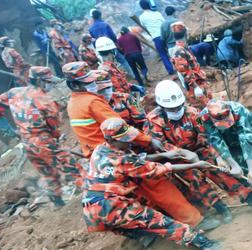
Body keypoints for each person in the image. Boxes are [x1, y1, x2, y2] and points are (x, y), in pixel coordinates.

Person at [64, 62, 214, 229]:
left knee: (140, 192)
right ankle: (195, 221)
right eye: (88, 83)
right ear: (74, 84)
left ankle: (160, 224)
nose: (93, 86)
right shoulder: (92, 102)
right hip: (115, 153)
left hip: (100, 156)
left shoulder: (73, 103)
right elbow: (122, 128)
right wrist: (150, 141)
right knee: (158, 184)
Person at [83, 117, 222, 250]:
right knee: (159, 221)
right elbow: (160, 169)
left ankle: (146, 238)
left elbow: (137, 160)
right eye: (124, 139)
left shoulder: (101, 149)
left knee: (130, 224)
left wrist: (164, 154)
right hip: (111, 205)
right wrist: (195, 165)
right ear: (111, 140)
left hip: (91, 206)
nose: (129, 141)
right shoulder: (122, 159)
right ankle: (205, 244)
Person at [146, 80, 252, 220]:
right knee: (196, 180)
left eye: (178, 106)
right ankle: (221, 208)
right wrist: (182, 153)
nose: (176, 111)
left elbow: (206, 135)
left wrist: (217, 156)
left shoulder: (192, 113)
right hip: (176, 158)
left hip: (200, 149)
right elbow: (159, 145)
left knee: (221, 172)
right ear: (162, 106)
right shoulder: (153, 121)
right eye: (171, 109)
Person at [0, 66, 82, 206]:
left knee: (47, 172)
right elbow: (54, 127)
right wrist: (56, 139)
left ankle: (57, 201)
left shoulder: (13, 92)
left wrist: (8, 130)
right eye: (48, 81)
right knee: (71, 165)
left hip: (26, 142)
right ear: (40, 81)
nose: (50, 84)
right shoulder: (46, 101)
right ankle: (91, 194)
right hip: (43, 140)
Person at [168, 22, 211, 107]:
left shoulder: (184, 48)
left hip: (198, 81)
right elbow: (184, 73)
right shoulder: (179, 52)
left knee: (208, 104)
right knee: (203, 107)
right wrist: (196, 87)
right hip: (195, 85)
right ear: (185, 35)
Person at [88, 8, 134, 77]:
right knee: (123, 60)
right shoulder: (105, 25)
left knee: (108, 65)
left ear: (93, 18)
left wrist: (97, 49)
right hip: (110, 46)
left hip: (101, 49)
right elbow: (112, 36)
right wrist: (117, 44)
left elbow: (93, 40)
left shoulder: (90, 29)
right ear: (100, 16)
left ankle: (114, 79)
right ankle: (132, 75)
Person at [139, 0, 174, 75]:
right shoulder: (157, 13)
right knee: (172, 50)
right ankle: (179, 66)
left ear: (141, 7)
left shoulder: (141, 17)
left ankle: (170, 70)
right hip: (165, 34)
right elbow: (164, 22)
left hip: (156, 37)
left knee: (163, 54)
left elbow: (143, 26)